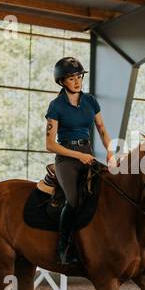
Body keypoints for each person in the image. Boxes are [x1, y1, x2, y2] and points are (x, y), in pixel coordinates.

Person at [45, 57, 115, 264]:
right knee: (74, 201)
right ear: (61, 82)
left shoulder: (91, 101)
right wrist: (78, 155)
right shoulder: (56, 106)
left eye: (78, 77)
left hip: (87, 153)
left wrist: (110, 152)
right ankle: (63, 248)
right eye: (71, 78)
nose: (77, 81)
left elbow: (102, 129)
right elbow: (50, 144)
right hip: (67, 158)